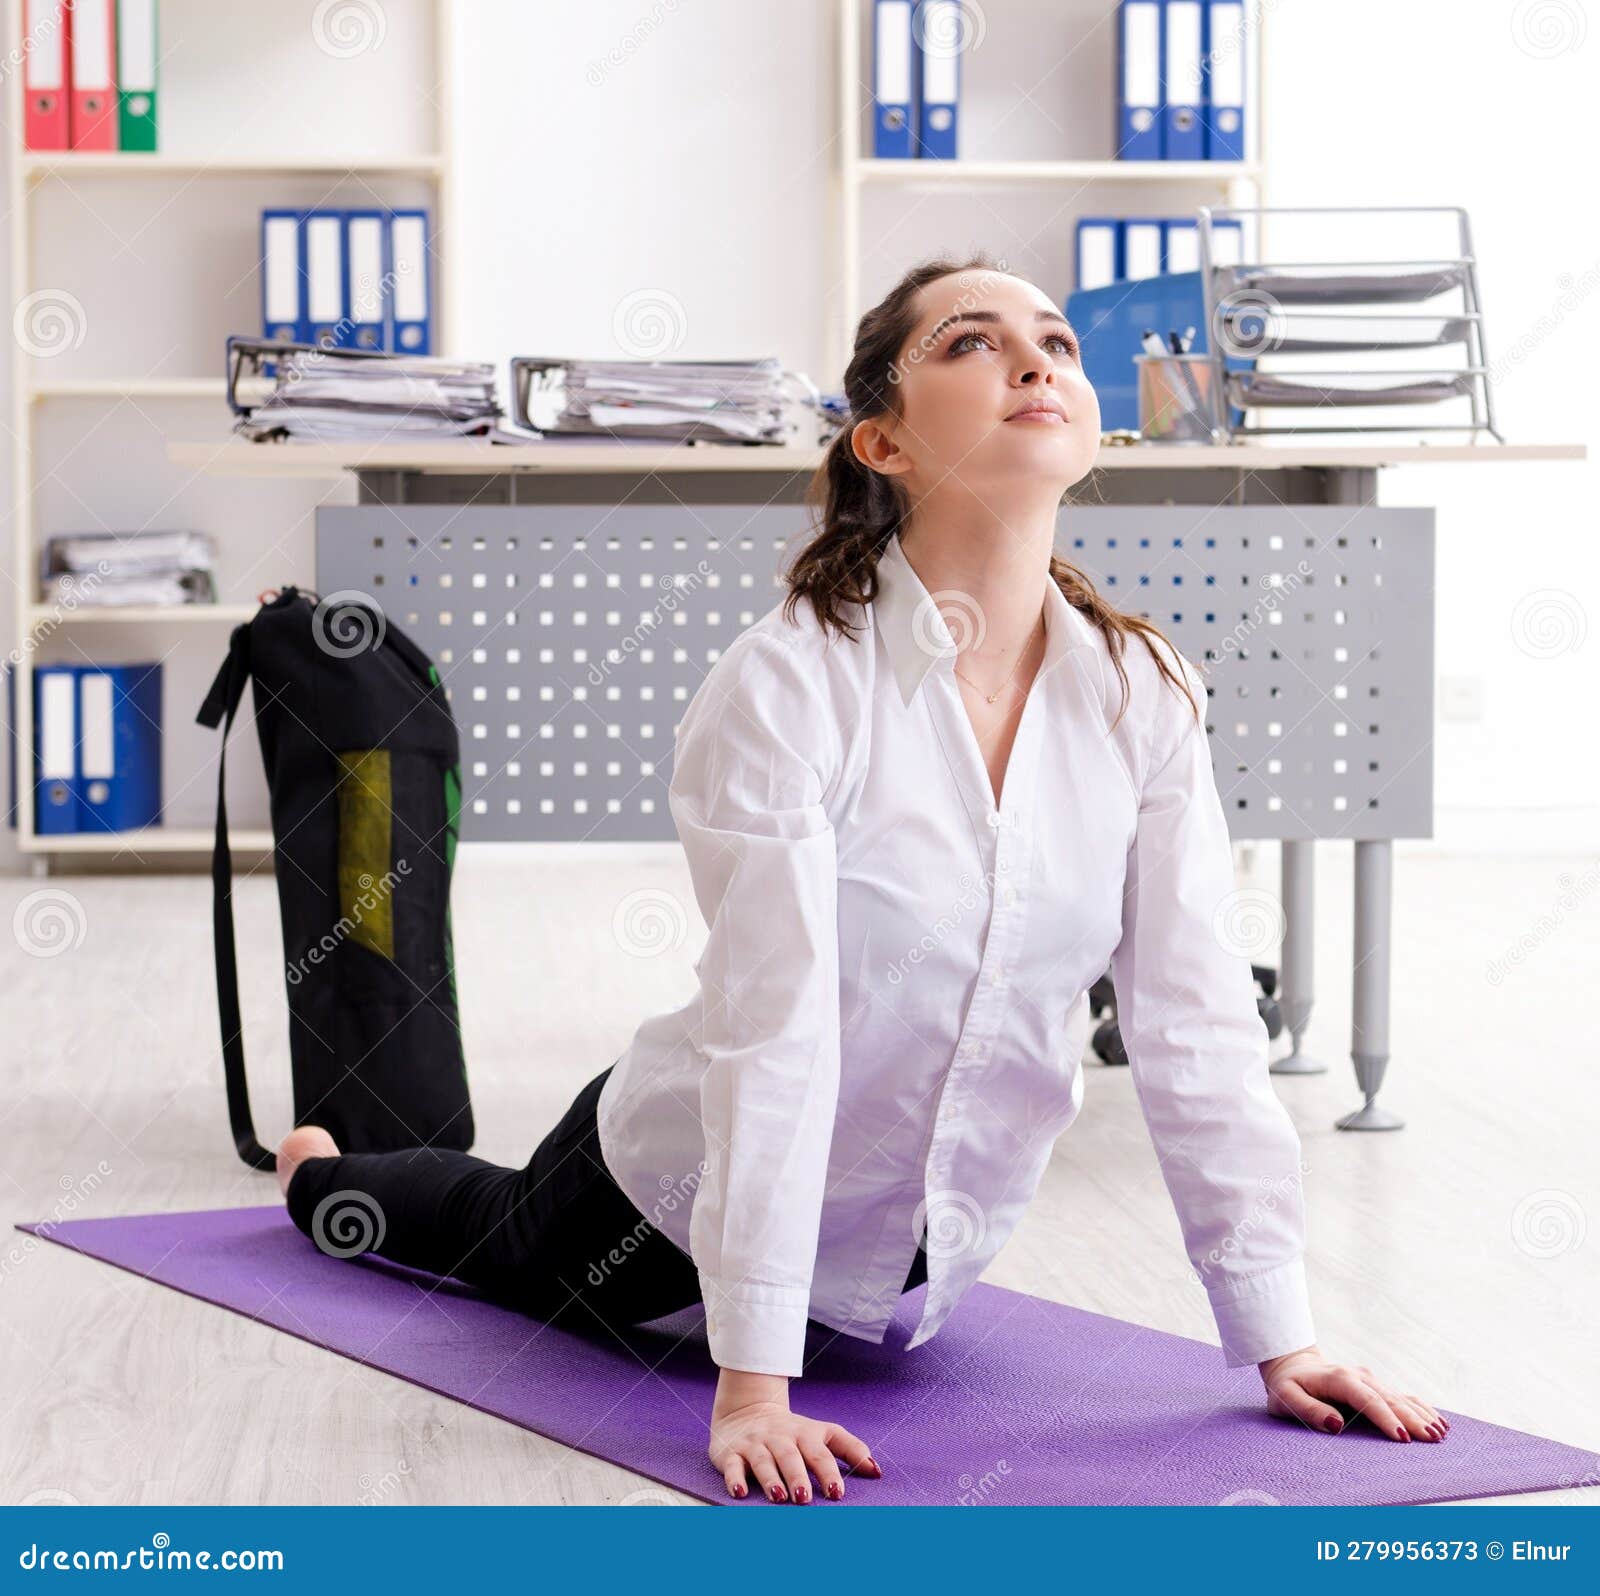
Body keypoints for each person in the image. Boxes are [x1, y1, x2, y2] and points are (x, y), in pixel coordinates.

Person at [278, 252, 1448, 1506]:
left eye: (1053, 340)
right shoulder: (789, 685)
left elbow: (1195, 1019)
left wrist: (1284, 1337)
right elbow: (772, 1034)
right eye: (968, 342)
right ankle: (316, 1176)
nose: (1034, 359)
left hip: (916, 1252)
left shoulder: (1140, 691)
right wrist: (752, 1391)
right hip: (664, 1199)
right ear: (882, 442)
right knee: (490, 1235)